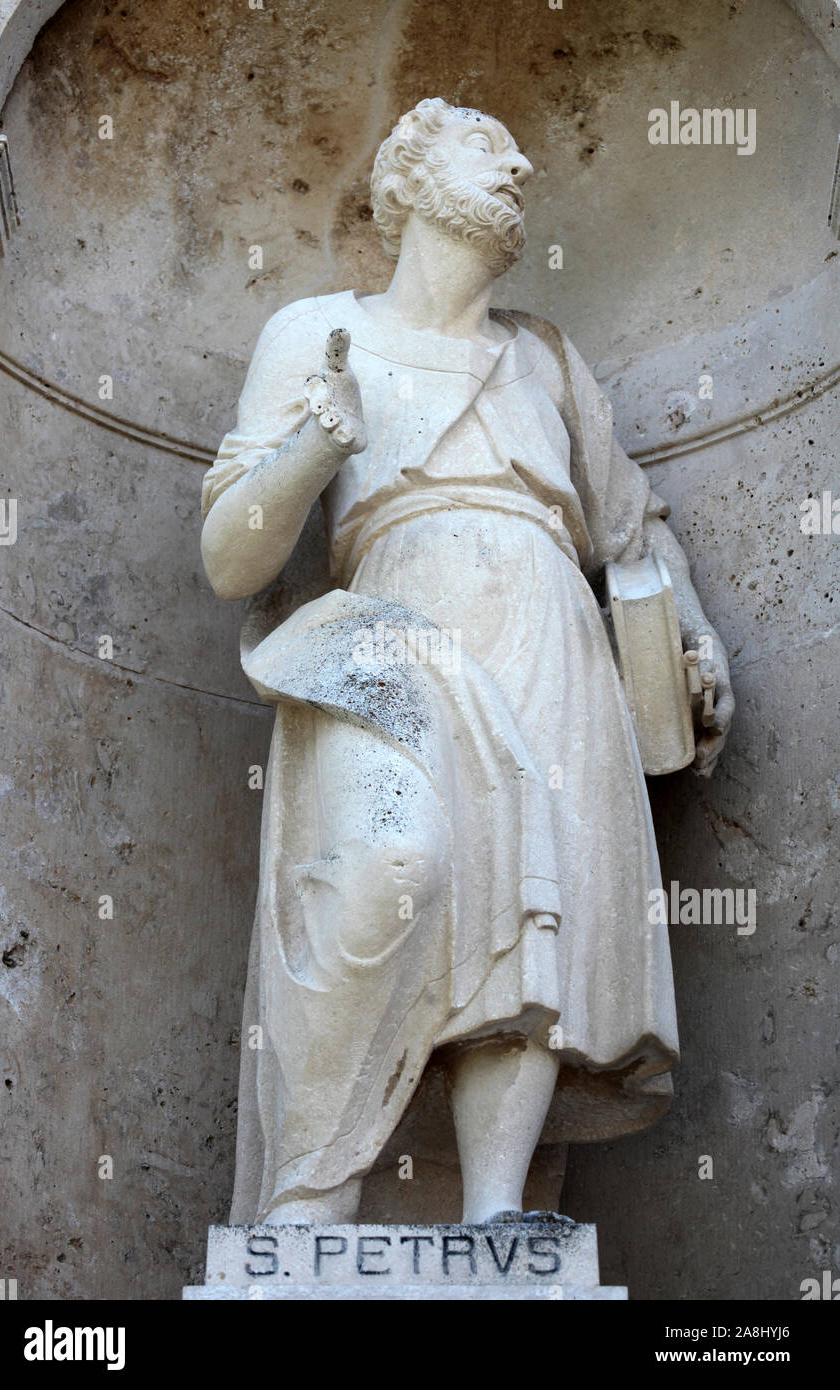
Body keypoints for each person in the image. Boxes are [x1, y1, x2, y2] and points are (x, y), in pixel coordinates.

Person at [200, 97, 734, 1226]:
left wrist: (692, 636)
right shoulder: (317, 332)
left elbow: (632, 529)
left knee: (536, 913)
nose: (521, 164)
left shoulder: (544, 357)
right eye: (487, 147)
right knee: (383, 865)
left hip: (552, 632)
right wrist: (318, 444)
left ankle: (496, 1217)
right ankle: (307, 1202)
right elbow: (230, 556)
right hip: (391, 631)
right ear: (406, 177)